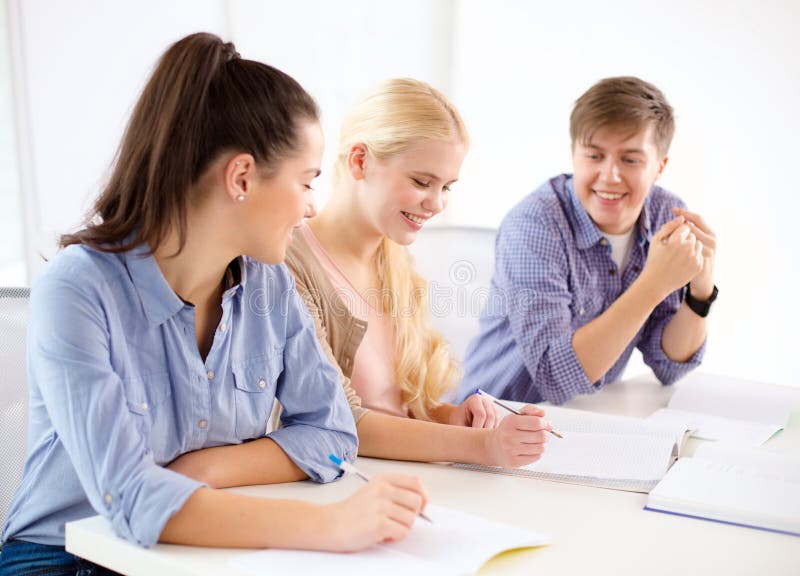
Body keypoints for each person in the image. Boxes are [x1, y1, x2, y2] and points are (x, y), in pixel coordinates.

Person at [0, 33, 428, 576]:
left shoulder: (269, 285)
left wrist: (204, 469)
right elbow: (128, 497)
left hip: (201, 551)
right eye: (305, 181)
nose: (311, 206)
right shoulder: (78, 289)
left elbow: (332, 433)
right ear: (242, 177)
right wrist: (332, 526)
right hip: (63, 557)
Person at [285, 78, 552, 468]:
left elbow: (399, 405)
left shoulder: (392, 256)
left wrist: (453, 418)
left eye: (447, 186)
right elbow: (340, 420)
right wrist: (481, 447)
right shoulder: (289, 263)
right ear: (359, 161)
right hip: (347, 483)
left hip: (407, 478)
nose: (437, 203)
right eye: (422, 182)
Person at [457, 76, 718, 405]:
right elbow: (555, 375)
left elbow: (669, 366)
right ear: (574, 154)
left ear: (659, 167)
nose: (610, 175)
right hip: (493, 420)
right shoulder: (534, 225)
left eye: (630, 160)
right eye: (594, 156)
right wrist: (654, 283)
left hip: (583, 423)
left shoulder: (665, 213)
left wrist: (700, 291)